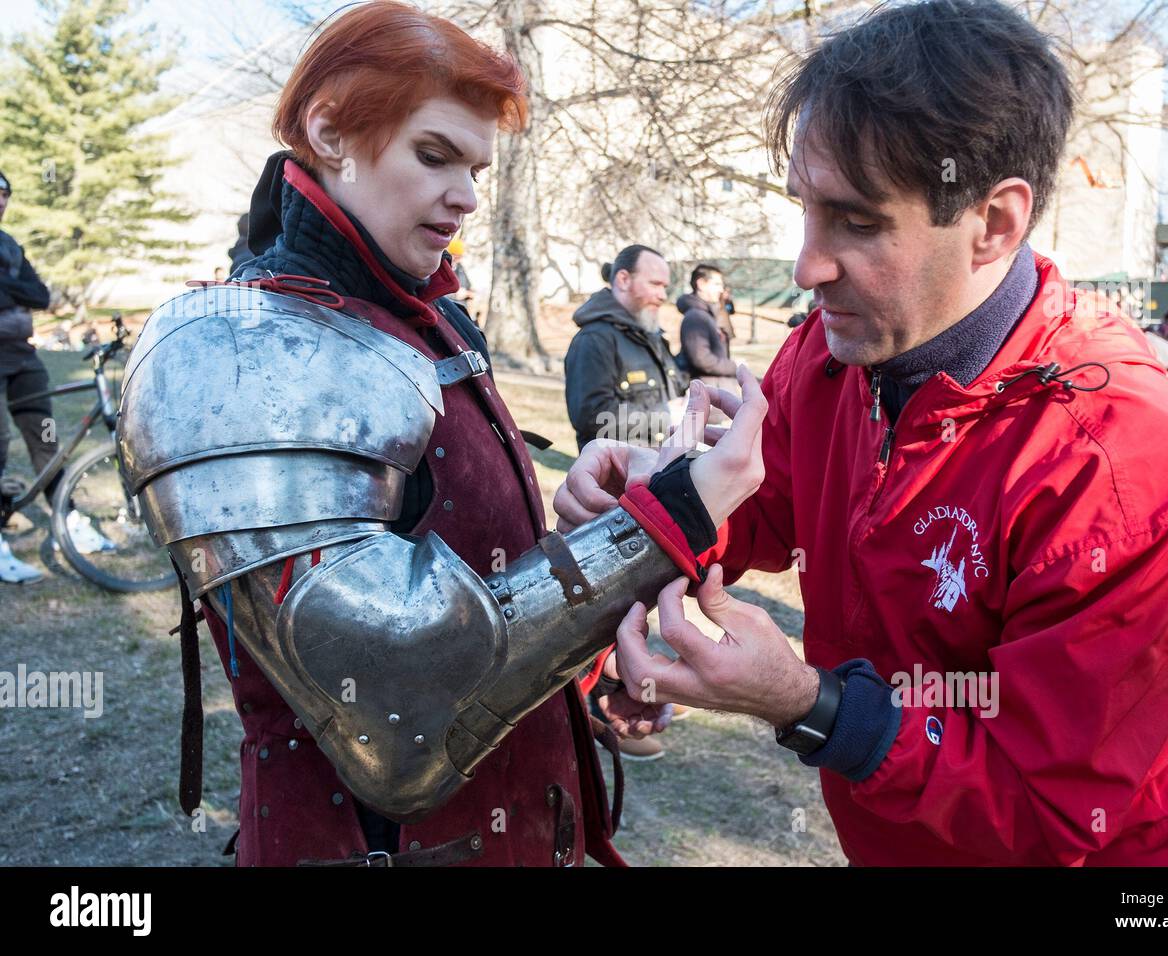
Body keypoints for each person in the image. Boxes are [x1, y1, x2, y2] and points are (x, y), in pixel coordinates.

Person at [556, 0, 1168, 866]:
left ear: (995, 224)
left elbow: (1050, 819)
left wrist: (807, 704)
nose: (809, 266)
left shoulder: (1127, 474)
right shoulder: (837, 349)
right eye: (805, 210)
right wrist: (654, 506)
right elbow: (766, 502)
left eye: (857, 222)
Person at [116, 1, 764, 867]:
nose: (464, 195)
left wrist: (581, 592)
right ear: (330, 128)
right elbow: (397, 712)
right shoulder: (236, 354)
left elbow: (468, 590)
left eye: (475, 168)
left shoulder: (436, 321)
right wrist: (681, 508)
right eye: (433, 156)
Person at [0, 168, 113, 585]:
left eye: (5, 192)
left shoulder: (10, 245)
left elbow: (41, 296)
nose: (0, 199)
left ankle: (70, 519)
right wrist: (14, 287)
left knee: (46, 438)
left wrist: (10, 287)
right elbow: (24, 292)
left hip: (22, 357)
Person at [564, 244, 687, 450]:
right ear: (623, 280)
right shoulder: (594, 340)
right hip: (623, 476)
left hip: (662, 468)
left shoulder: (651, 336)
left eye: (665, 286)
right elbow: (591, 418)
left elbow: (675, 393)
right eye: (655, 284)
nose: (663, 295)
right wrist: (664, 416)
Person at [676, 264, 738, 388]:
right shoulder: (695, 317)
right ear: (701, 284)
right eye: (716, 284)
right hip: (707, 392)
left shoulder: (706, 314)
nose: (721, 290)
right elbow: (702, 360)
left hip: (715, 387)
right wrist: (734, 366)